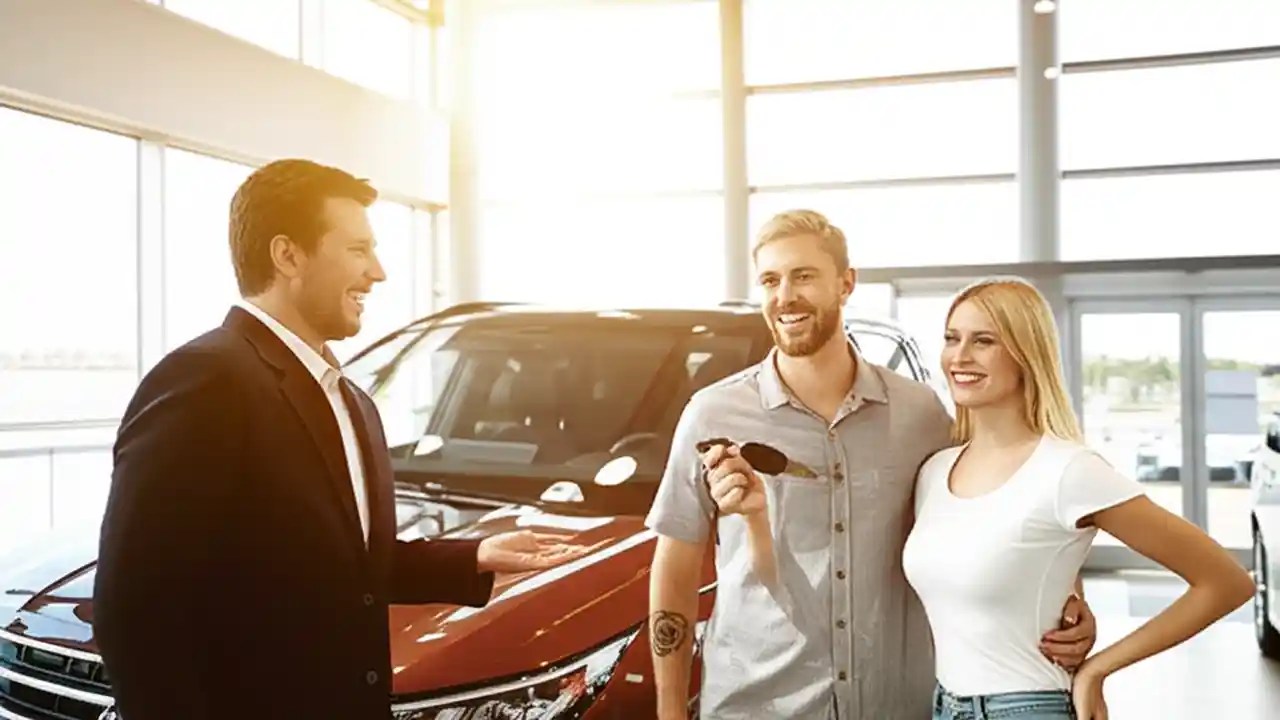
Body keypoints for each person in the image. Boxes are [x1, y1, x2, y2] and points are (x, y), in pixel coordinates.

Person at [93, 159, 591, 720]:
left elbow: (345, 567)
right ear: (288, 256)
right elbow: (135, 609)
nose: (377, 272)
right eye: (357, 249)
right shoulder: (206, 380)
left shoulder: (350, 399)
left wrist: (475, 555)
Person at [644, 210, 1097, 720]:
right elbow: (675, 570)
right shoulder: (714, 414)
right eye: (771, 279)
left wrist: (1068, 592)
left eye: (804, 276)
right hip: (758, 705)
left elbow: (1000, 505)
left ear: (846, 283)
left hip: (895, 704)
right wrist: (669, 711)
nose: (784, 296)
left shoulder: (920, 413)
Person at [901, 277, 1255, 720]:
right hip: (944, 704)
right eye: (952, 338)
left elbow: (1227, 582)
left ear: (1025, 354)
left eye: (984, 340)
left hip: (1026, 707)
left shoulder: (1070, 471)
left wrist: (1097, 670)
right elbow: (1028, 557)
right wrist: (1073, 599)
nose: (960, 356)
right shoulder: (935, 471)